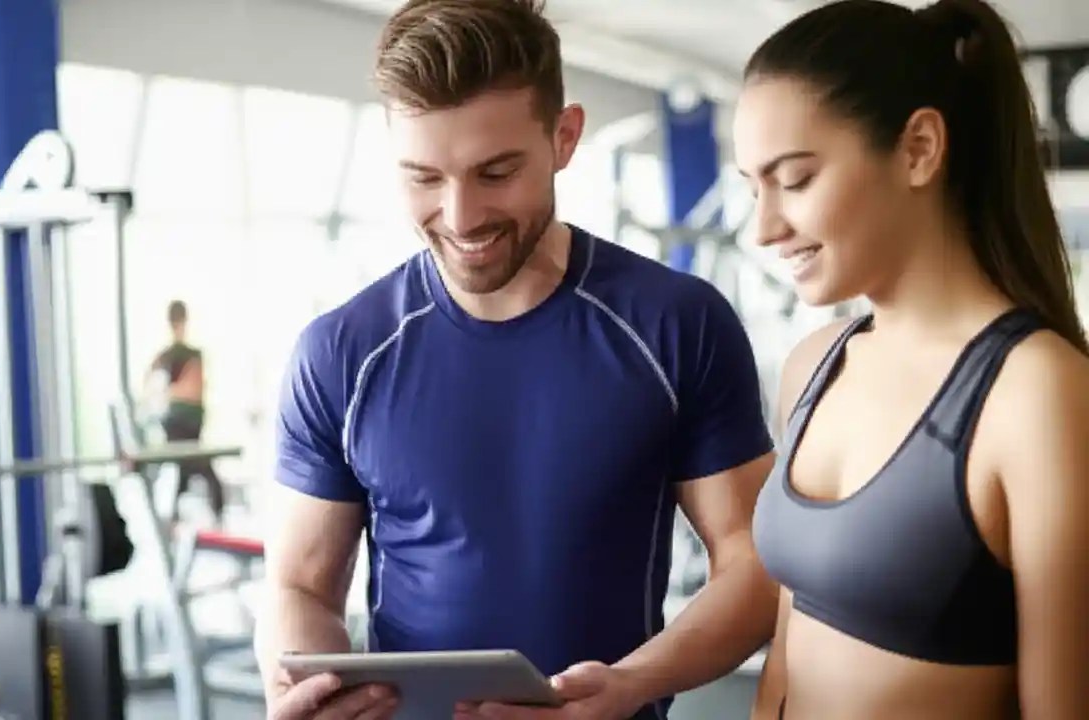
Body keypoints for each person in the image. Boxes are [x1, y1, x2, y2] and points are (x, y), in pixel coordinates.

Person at [255, 1, 780, 719]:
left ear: (564, 138)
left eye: (496, 173)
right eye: (423, 178)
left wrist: (629, 686)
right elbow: (299, 589)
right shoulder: (340, 352)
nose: (461, 215)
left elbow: (750, 565)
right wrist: (306, 685)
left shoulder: (676, 324)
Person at [733, 1, 1089, 718]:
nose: (765, 227)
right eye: (753, 188)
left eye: (795, 180)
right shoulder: (813, 365)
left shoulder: (1037, 392)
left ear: (919, 148)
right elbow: (788, 644)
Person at [147, 300, 225, 520]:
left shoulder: (188, 355)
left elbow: (195, 389)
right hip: (179, 420)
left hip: (187, 419)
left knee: (190, 467)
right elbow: (190, 389)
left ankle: (179, 517)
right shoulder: (171, 355)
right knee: (190, 467)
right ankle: (177, 518)